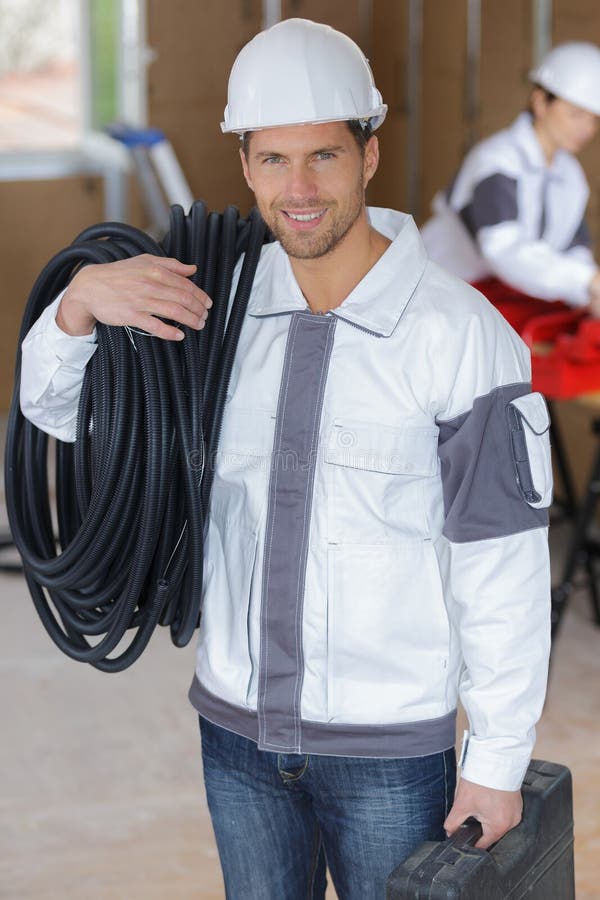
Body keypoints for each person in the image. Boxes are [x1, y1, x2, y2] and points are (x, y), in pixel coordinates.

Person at [19, 18, 552, 900]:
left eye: (323, 157)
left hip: (389, 752)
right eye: (273, 159)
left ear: (369, 155)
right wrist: (77, 307)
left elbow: (501, 564)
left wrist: (496, 759)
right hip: (235, 739)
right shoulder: (204, 311)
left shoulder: (460, 336)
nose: (298, 189)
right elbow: (61, 414)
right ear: (245, 165)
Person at [421, 42, 600, 316]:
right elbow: (502, 248)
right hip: (440, 295)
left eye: (594, 119)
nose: (587, 129)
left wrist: (589, 291)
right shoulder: (497, 161)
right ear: (540, 102)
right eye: (576, 115)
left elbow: (573, 248)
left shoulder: (571, 176)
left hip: (498, 299)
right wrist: (585, 281)